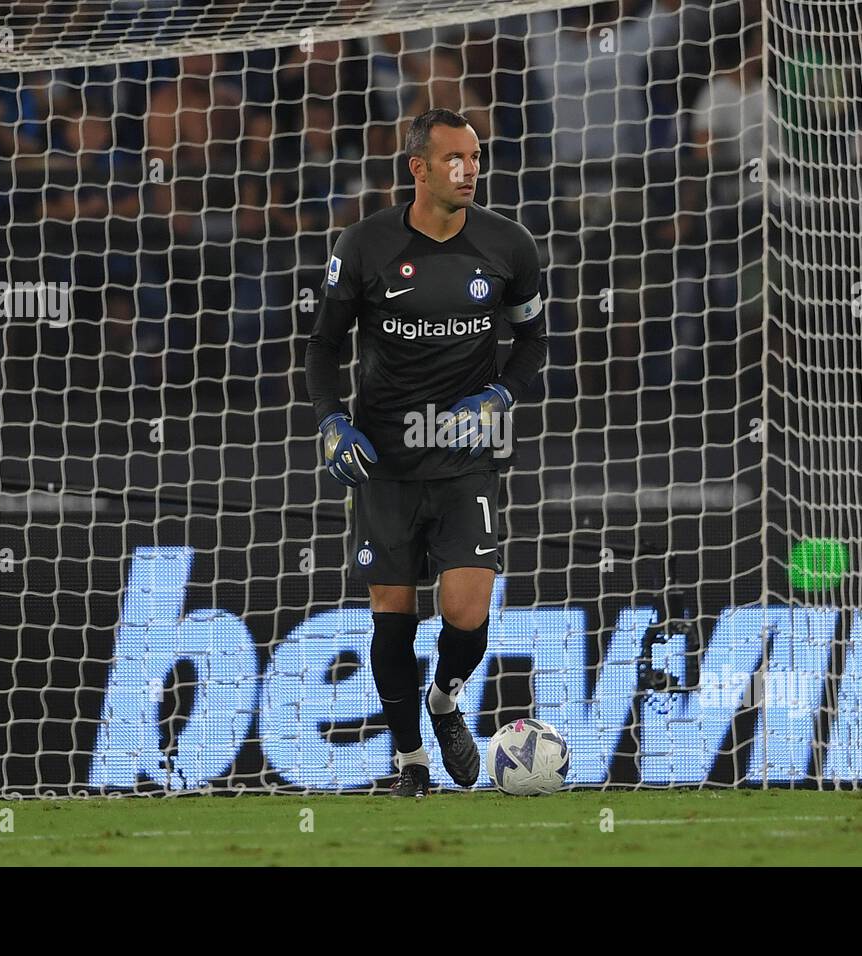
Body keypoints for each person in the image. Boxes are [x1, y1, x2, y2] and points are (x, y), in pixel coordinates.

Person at [304, 108, 547, 797]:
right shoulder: (365, 244)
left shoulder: (509, 245)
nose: (469, 171)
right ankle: (411, 762)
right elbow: (323, 346)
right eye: (454, 160)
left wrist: (499, 395)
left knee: (467, 612)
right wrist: (332, 422)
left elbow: (533, 340)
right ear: (419, 168)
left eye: (475, 158)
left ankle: (444, 698)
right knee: (393, 616)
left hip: (466, 455)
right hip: (385, 459)